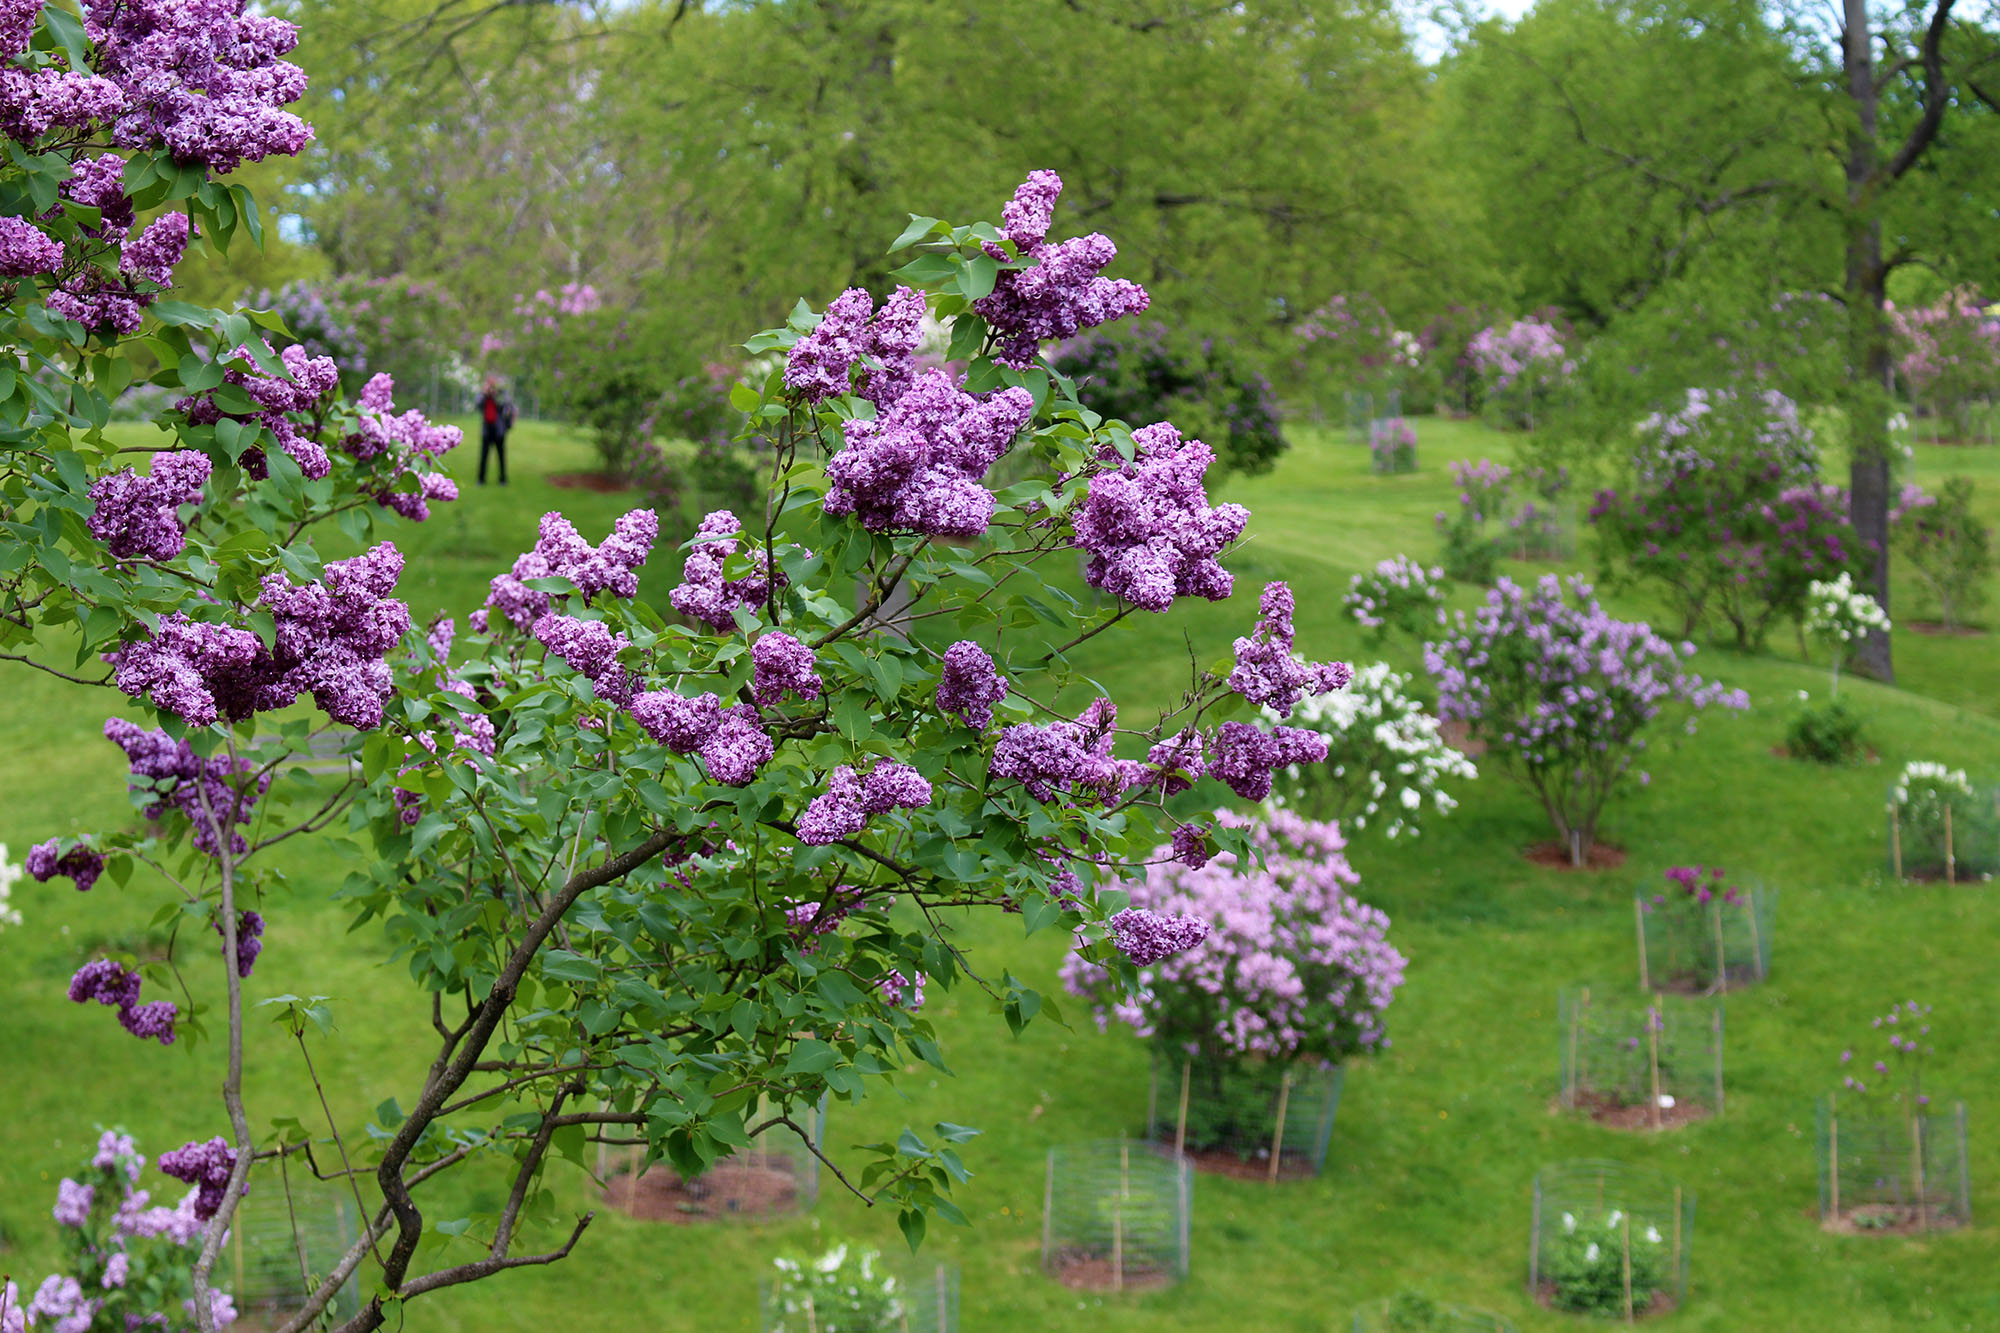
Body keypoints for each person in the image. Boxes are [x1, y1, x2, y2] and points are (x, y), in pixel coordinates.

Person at [476, 377, 515, 485]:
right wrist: (485, 393)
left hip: (498, 431)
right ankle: (481, 479)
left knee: (501, 456)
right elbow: (478, 404)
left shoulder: (501, 394)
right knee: (484, 456)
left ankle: (503, 479)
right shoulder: (482, 395)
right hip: (487, 430)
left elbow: (507, 404)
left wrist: (496, 394)